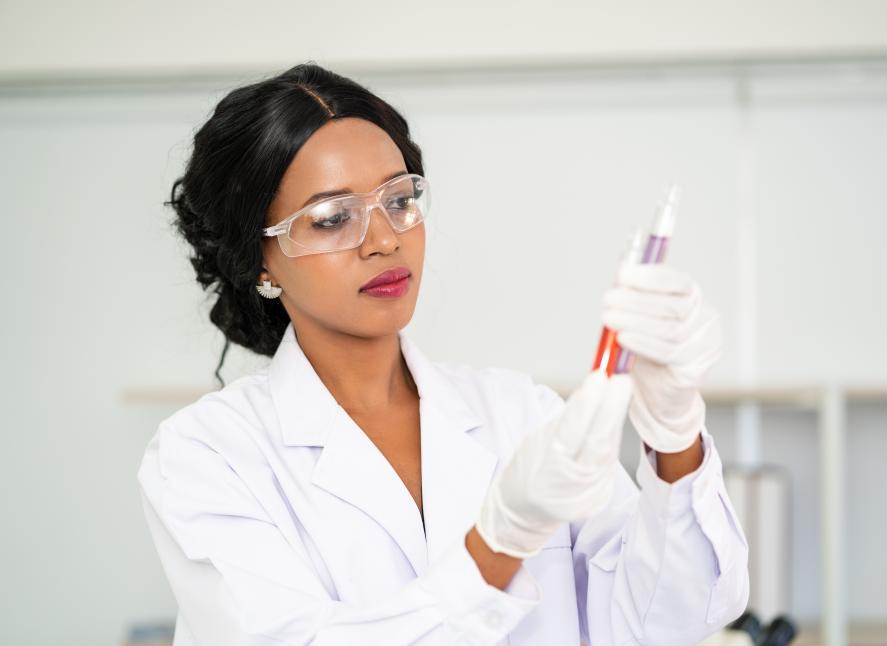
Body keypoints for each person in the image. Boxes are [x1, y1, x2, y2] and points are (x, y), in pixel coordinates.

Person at [137, 62, 749, 645]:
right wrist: (499, 545)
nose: (384, 240)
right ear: (260, 260)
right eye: (332, 217)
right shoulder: (208, 455)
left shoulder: (520, 412)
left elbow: (667, 622)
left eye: (398, 200)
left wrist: (675, 435)